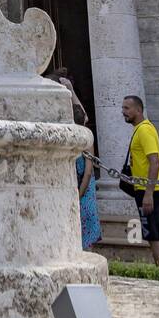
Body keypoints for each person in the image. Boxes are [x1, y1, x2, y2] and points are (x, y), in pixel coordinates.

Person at [122, 95, 159, 268]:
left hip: (152, 191)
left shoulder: (144, 130)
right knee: (152, 235)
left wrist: (148, 194)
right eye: (123, 108)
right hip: (146, 189)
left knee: (154, 236)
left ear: (138, 110)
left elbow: (154, 161)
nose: (123, 112)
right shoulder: (140, 129)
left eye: (127, 108)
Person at [74, 104, 102, 250]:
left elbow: (88, 172)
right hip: (77, 189)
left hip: (84, 189)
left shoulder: (86, 141)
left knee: (86, 223)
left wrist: (79, 195)